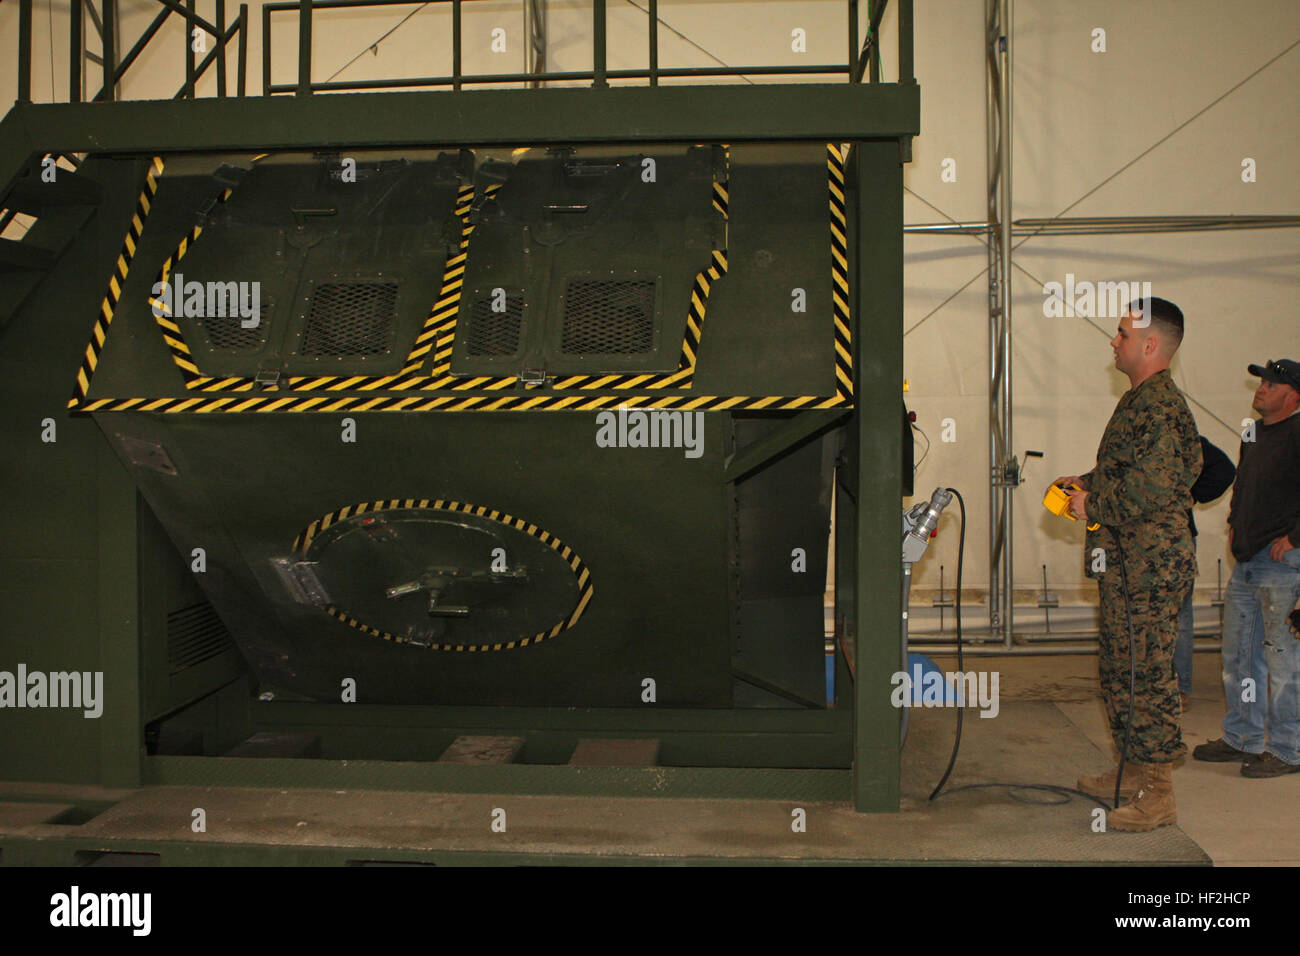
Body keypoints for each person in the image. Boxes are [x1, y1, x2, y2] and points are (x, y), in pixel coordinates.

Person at [1053, 297, 1201, 832]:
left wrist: (1093, 504)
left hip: (1150, 567)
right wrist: (1087, 483)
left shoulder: (1160, 407)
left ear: (1150, 344)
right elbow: (1124, 471)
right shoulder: (1139, 401)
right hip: (1126, 564)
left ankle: (1158, 795)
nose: (1112, 342)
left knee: (1149, 675)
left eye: (1120, 334)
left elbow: (1154, 487)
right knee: (1122, 671)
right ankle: (1132, 769)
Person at [1192, 358, 1300, 777]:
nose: (1262, 387)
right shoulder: (1253, 433)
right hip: (1250, 559)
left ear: (1292, 396)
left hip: (1284, 564)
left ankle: (1289, 748)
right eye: (1262, 381)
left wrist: (1295, 538)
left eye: (1272, 384)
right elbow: (1245, 483)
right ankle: (1243, 736)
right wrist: (1236, 521)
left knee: (1283, 660)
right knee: (1239, 655)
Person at [1174, 436, 1235, 709]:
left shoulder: (1181, 436)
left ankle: (1178, 688)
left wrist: (1193, 493)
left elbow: (1224, 470)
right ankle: (1147, 685)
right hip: (1137, 542)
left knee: (1179, 614)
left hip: (1175, 539)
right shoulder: (1132, 435)